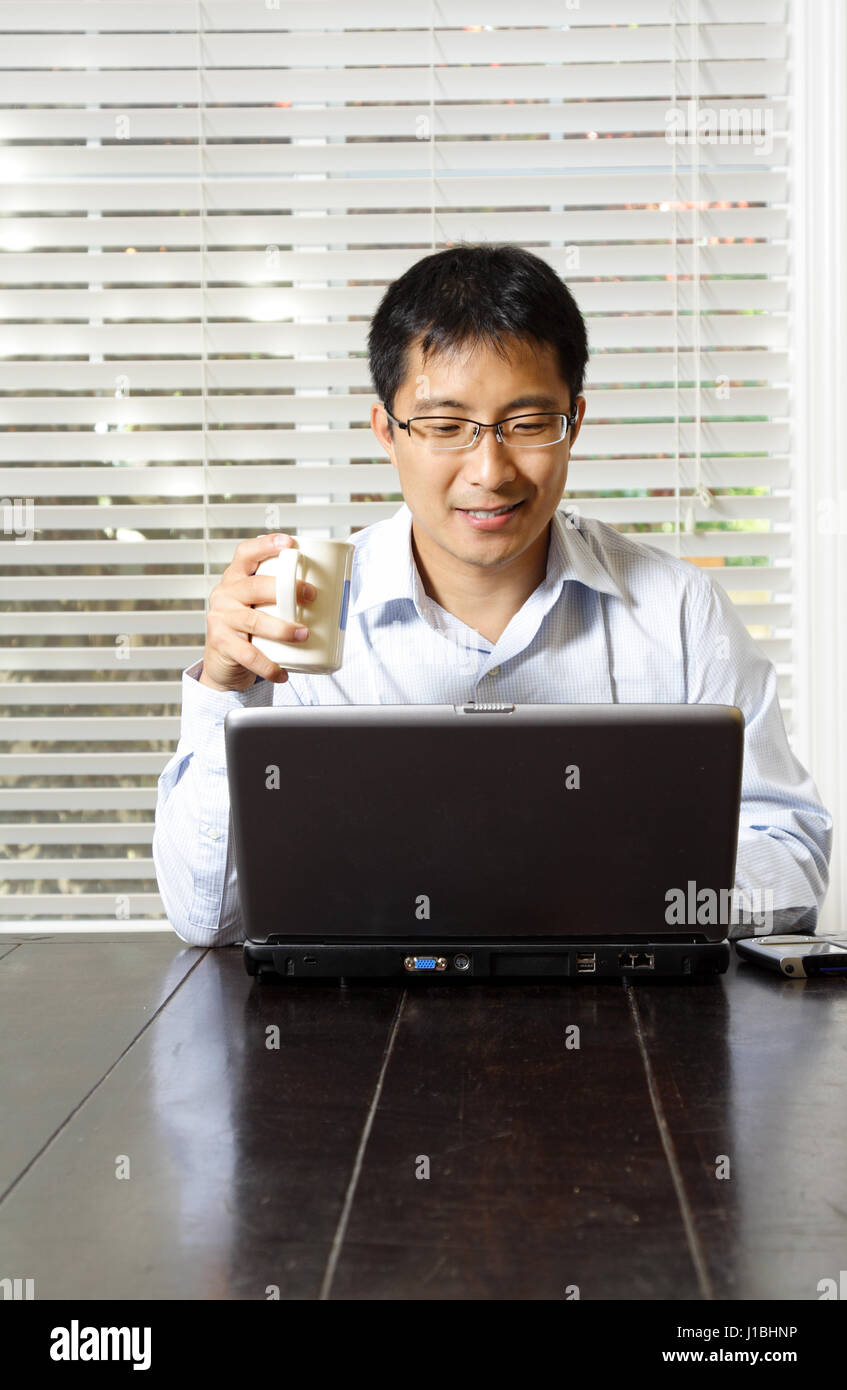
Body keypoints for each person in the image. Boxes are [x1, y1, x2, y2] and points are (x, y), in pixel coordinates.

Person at [152, 244, 831, 948]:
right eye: (445, 428)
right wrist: (225, 693)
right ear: (387, 432)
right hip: (363, 1034)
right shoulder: (303, 612)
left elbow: (791, 854)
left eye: (528, 424)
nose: (489, 470)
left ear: (574, 421)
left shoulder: (680, 611)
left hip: (625, 1021)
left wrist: (617, 894)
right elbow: (209, 920)